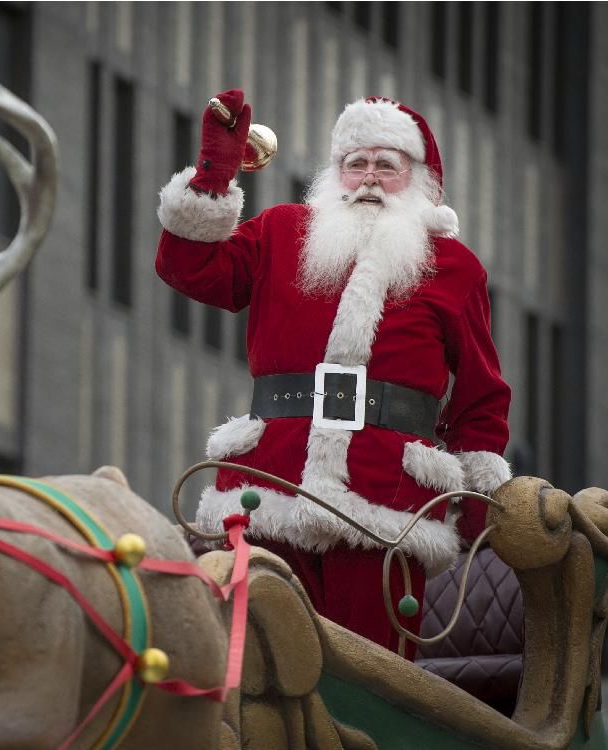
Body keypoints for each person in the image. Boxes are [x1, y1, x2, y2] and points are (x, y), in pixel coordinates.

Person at [155, 92, 512, 658]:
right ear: (335, 172)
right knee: (253, 665)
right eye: (355, 162)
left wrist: (475, 510)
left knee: (371, 677)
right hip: (268, 484)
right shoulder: (280, 232)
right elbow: (188, 268)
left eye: (387, 165)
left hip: (387, 503)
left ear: (420, 180)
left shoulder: (455, 268)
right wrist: (214, 170)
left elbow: (480, 399)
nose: (368, 177)